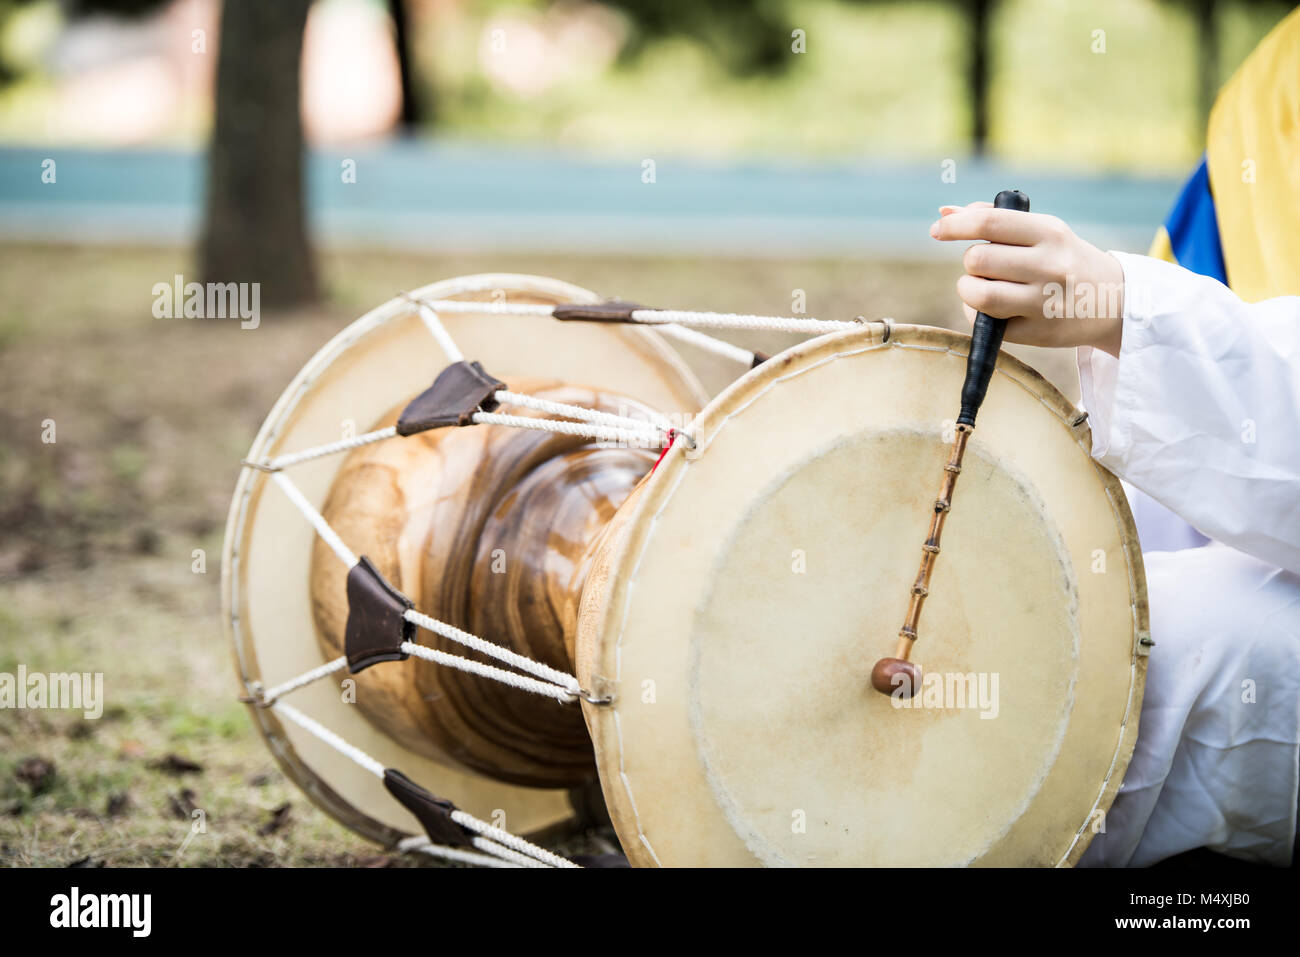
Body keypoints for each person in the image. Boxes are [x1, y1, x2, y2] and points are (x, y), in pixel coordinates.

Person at [930, 6, 1300, 866]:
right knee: (1034, 590)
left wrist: (1123, 306)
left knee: (1175, 649)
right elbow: (1170, 502)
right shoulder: (1273, 90)